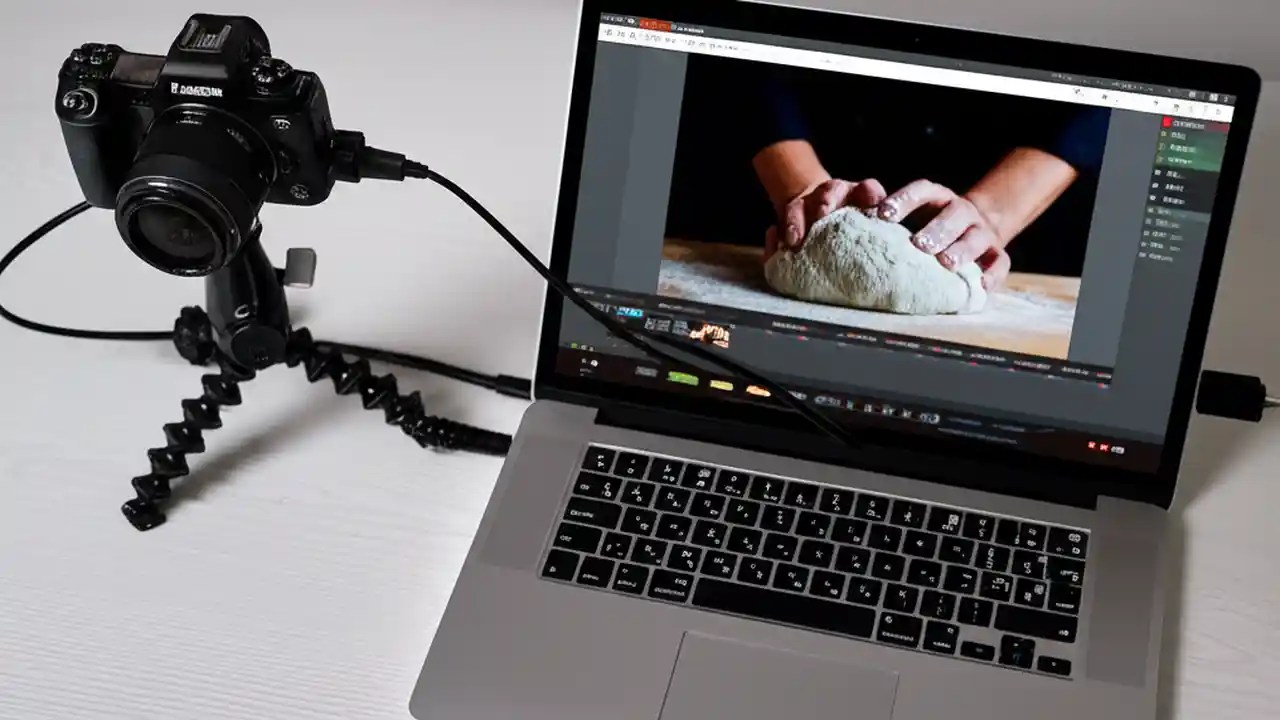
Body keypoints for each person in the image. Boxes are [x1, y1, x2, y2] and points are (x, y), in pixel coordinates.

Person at [663, 57, 1111, 289]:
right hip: (793, 134)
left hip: (1016, 156)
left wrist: (991, 213)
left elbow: (1118, 81)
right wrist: (800, 185)